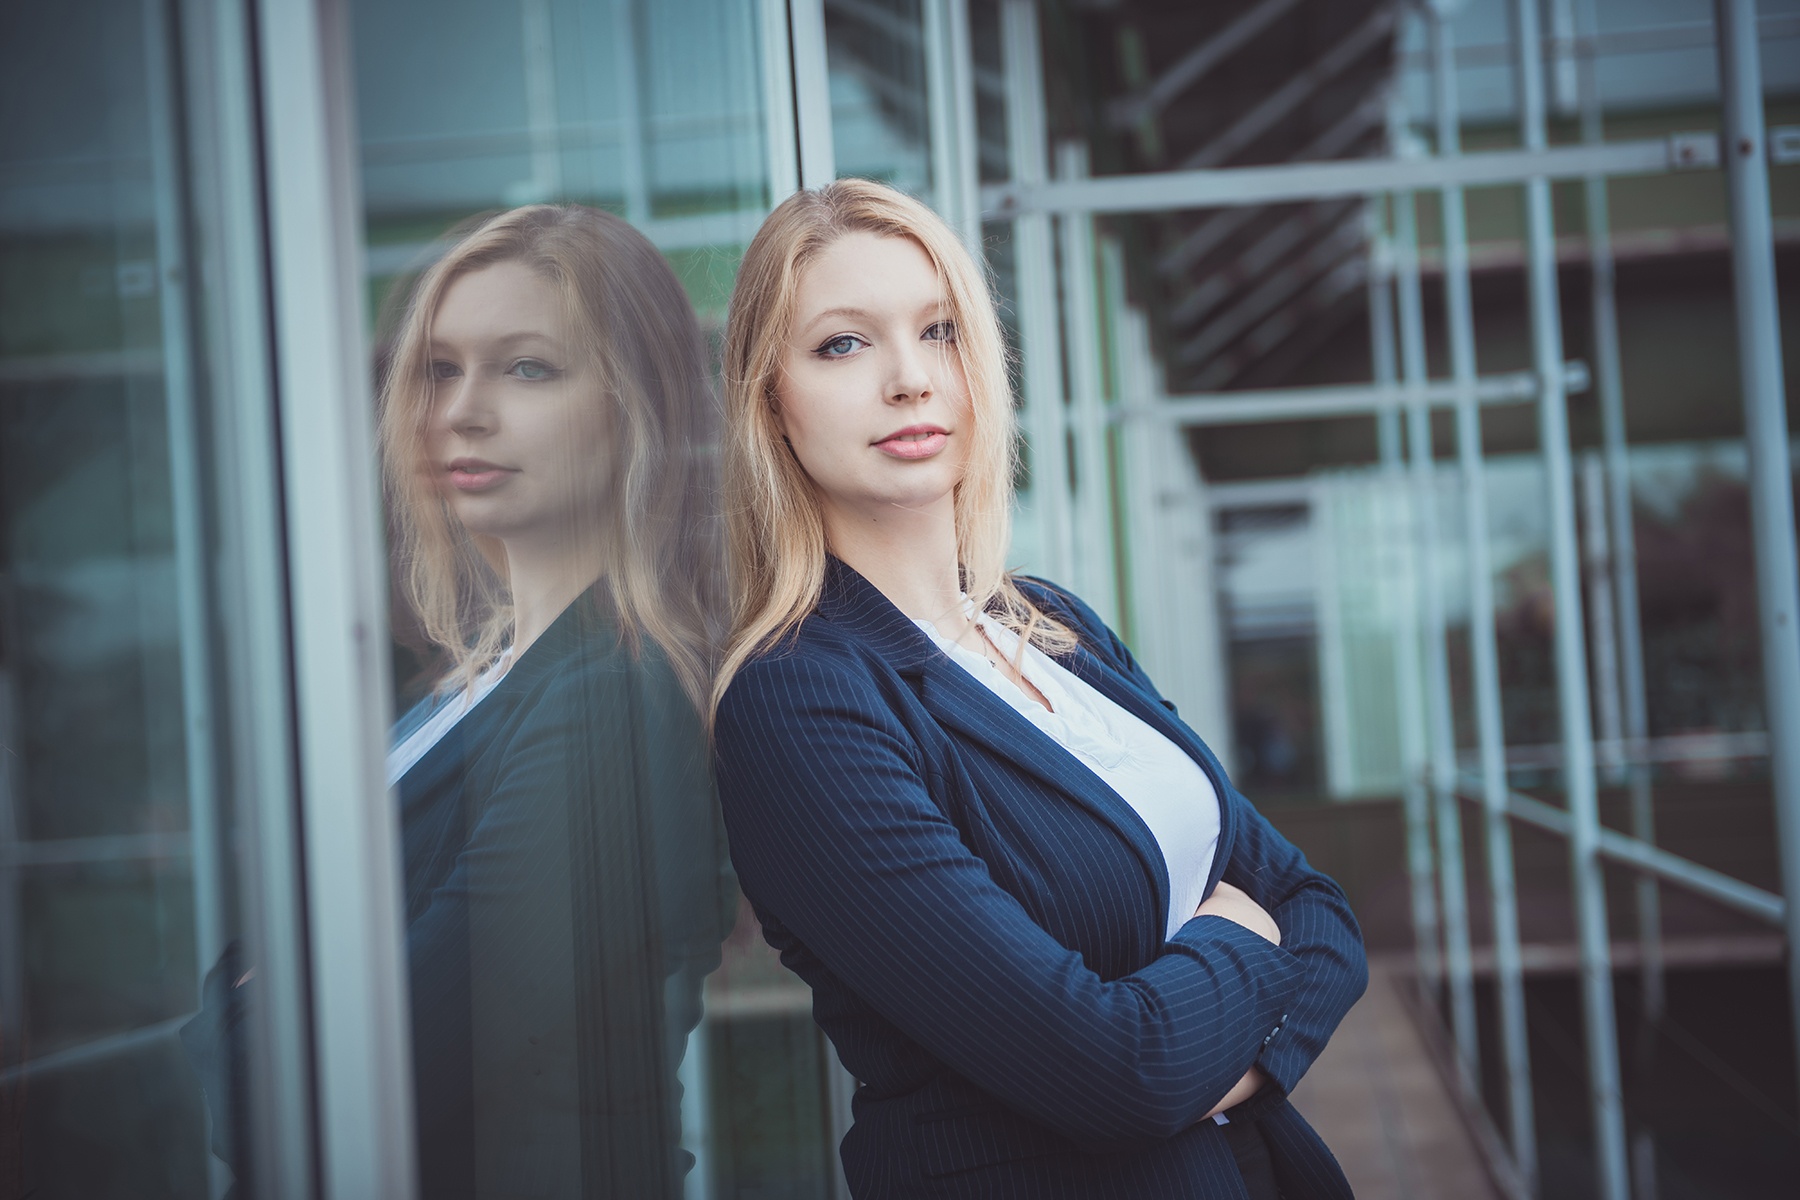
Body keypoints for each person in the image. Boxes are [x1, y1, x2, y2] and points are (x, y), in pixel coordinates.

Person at [709, 179, 1367, 1200]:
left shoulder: (1050, 623)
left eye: (938, 332)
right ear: (771, 406)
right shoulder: (800, 700)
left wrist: (1210, 1070)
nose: (909, 380)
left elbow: (1317, 909)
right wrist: (1236, 937)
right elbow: (1119, 1071)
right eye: (843, 345)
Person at [186, 204, 732, 1199]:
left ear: (633, 406)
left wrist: (250, 1001)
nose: (461, 411)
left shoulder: (612, 698)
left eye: (527, 368)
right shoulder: (469, 687)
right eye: (440, 369)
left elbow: (320, 1091)